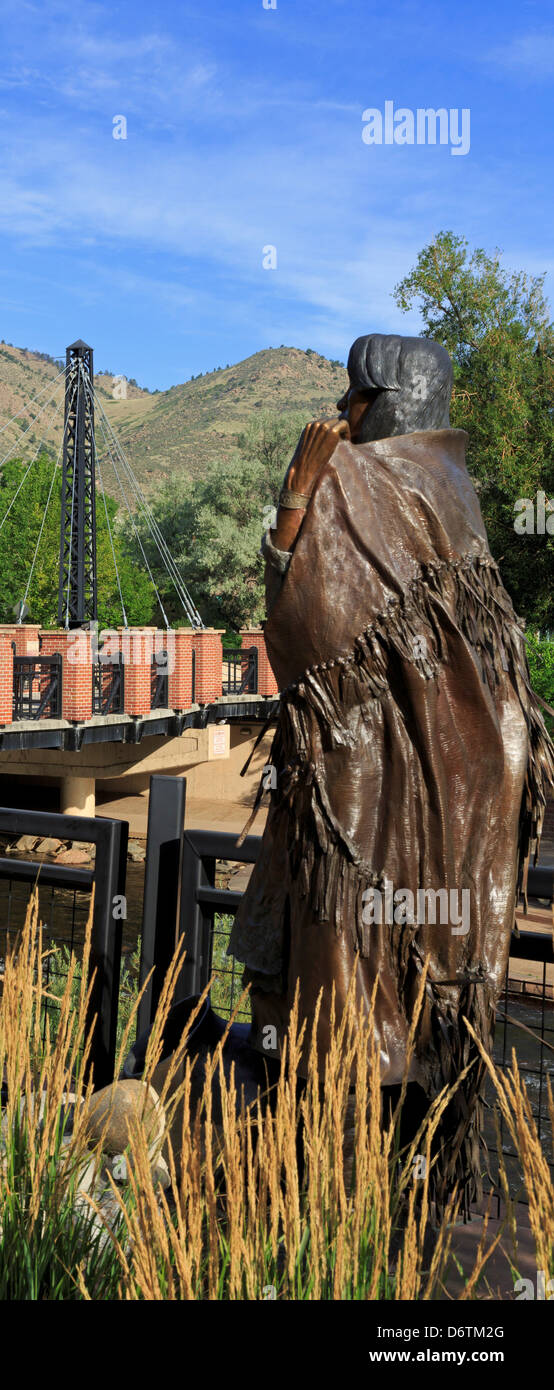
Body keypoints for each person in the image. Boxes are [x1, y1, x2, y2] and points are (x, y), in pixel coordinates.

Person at [228, 333, 553, 1214]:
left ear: (388, 401)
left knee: (347, 975)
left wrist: (295, 499)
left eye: (353, 398)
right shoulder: (461, 497)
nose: (340, 414)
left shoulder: (353, 484)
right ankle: (397, 1189)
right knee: (403, 992)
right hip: (451, 823)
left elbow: (302, 646)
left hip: (370, 800)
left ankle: (333, 1195)